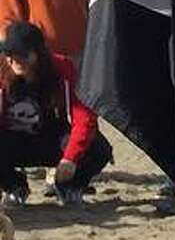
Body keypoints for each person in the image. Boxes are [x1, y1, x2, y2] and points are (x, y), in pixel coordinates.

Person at [0, 21, 111, 207]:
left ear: (38, 53)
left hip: (50, 137)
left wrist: (70, 158)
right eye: (10, 55)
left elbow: (84, 117)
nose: (14, 61)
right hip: (12, 140)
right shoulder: (3, 71)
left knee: (98, 148)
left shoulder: (61, 68)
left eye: (22, 55)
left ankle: (70, 186)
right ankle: (14, 186)